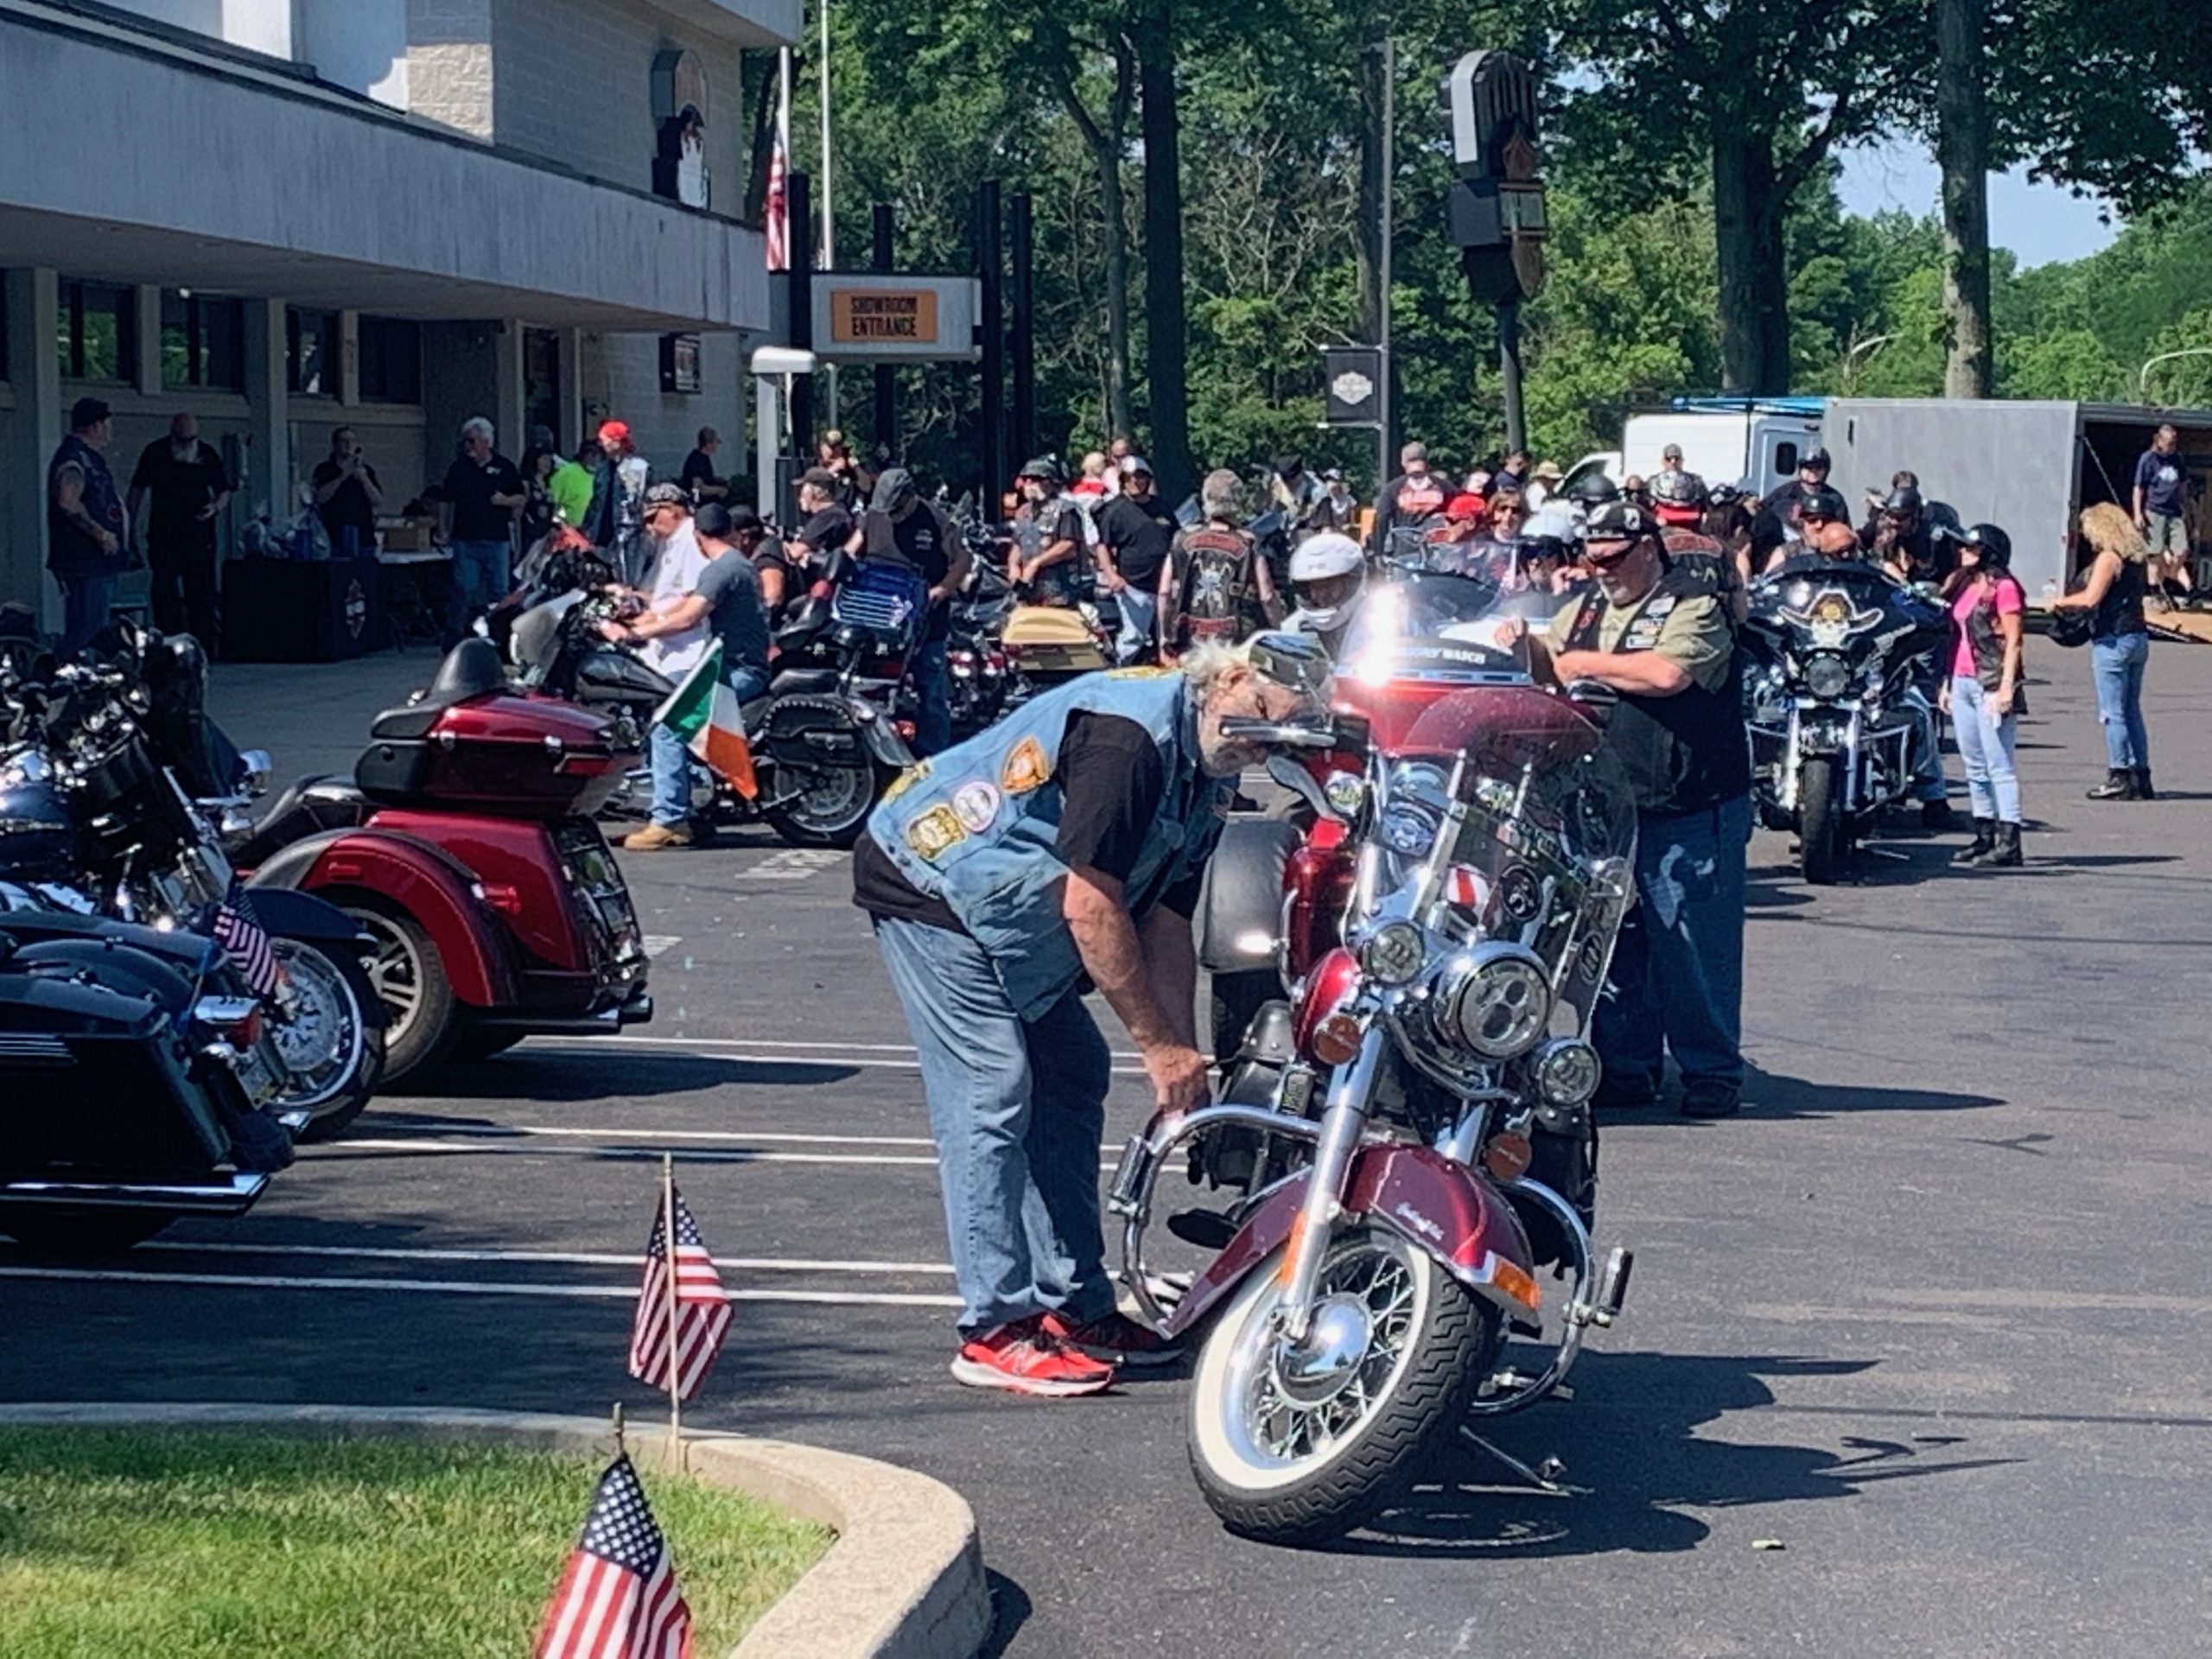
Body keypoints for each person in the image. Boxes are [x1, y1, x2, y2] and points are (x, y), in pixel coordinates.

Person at [852, 632, 1331, 1395]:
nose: (1261, 745)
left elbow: (1169, 922)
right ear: (1232, 678)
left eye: (1279, 737)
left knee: (1073, 1070)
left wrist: (1180, 1050)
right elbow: (1092, 904)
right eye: (1263, 718)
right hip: (931, 885)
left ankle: (1076, 1305)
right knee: (992, 1086)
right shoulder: (1130, 738)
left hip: (999, 908)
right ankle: (993, 1327)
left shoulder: (1204, 775)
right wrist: (1156, 1044)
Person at [1529, 499, 1751, 1120]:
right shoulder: (1584, 609)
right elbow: (1548, 654)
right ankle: (1626, 1067)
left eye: (1614, 558)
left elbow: (1666, 674)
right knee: (1613, 942)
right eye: (1591, 558)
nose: (1602, 570)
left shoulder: (1692, 605)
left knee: (1691, 945)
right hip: (1604, 804)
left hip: (1686, 802)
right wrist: (1516, 644)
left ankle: (1712, 1071)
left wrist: (1580, 663)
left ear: (1648, 548)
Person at [614, 485, 715, 849]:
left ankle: (668, 817)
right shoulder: (671, 546)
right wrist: (626, 597)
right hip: (667, 650)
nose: (649, 527)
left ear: (672, 509)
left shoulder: (689, 541)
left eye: (653, 518)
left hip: (686, 653)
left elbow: (689, 604)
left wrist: (642, 627)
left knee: (665, 726)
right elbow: (664, 598)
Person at [853, 467, 968, 755]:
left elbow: (962, 560)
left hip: (927, 617)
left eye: (896, 510)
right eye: (887, 511)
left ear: (910, 497)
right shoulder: (874, 515)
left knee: (931, 687)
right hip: (878, 615)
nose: (891, 516)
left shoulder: (936, 519)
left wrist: (940, 591)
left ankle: (934, 754)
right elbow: (853, 548)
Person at [2050, 501, 2153, 801]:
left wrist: (2059, 603)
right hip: (2138, 636)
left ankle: (2118, 774)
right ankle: (2141, 776)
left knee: (2113, 712)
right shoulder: (2136, 556)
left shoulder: (2109, 558)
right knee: (2132, 709)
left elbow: (2091, 598)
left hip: (2113, 639)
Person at [1939, 525, 2027, 868]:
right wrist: (1947, 682)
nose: (1963, 552)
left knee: (1999, 764)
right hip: (1962, 681)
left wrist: (2006, 687)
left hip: (1989, 682)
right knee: (1973, 764)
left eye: (1972, 548)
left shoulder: (2004, 589)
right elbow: (1956, 639)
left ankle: (2009, 840)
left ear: (1990, 552)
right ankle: (1984, 833)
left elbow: (2013, 641)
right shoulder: (1964, 585)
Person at [127, 412, 232, 650]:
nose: (188, 444)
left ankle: (203, 644)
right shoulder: (155, 453)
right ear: (173, 433)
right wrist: (129, 525)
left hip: (199, 532)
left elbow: (224, 490)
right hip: (164, 532)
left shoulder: (206, 454)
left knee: (201, 590)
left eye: (192, 439)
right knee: (165, 588)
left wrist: (214, 507)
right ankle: (168, 640)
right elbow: (137, 489)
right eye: (183, 439)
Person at [1160, 468, 1282, 658]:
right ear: (1238, 501)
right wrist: (1278, 629)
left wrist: (1165, 635)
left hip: (1190, 639)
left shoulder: (1181, 539)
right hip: (1235, 642)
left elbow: (1164, 592)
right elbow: (1267, 595)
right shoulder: (1249, 543)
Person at [47, 397, 130, 658]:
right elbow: (68, 502)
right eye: (107, 423)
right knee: (86, 632)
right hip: (85, 562)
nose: (110, 429)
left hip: (97, 563)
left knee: (96, 629)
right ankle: (65, 683)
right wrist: (101, 533)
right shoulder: (74, 459)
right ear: (96, 426)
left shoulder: (90, 458)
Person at [435, 416, 526, 645]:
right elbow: (446, 501)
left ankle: (500, 636)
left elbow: (521, 498)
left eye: (472, 441)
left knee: (499, 591)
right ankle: (454, 635)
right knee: (463, 588)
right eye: (465, 441)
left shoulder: (504, 467)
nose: (468, 446)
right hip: (465, 539)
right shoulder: (459, 468)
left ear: (486, 441)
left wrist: (504, 500)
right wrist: (442, 528)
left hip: (497, 539)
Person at [1096, 455, 1176, 664]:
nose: (1135, 482)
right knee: (1133, 637)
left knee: (1167, 637)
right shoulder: (1115, 510)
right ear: (1122, 480)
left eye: (1140, 477)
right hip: (1133, 585)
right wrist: (1111, 575)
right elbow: (1102, 545)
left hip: (1164, 586)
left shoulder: (1163, 507)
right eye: (1130, 478)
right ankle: (1117, 674)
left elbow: (1177, 539)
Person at [2132, 424, 2194, 608]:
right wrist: (2137, 513)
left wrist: (2188, 511)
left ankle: (2171, 574)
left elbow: (2182, 486)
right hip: (2154, 510)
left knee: (2182, 550)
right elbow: (2139, 487)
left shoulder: (2177, 459)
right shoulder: (2148, 459)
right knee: (2155, 553)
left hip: (2174, 511)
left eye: (2174, 443)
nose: (2172, 447)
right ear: (2159, 441)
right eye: (2169, 444)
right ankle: (2155, 591)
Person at [1008, 458, 1085, 605]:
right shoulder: (1023, 512)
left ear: (1049, 483)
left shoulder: (1066, 509)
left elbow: (1068, 546)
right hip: (1028, 591)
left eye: (1036, 478)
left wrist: (1036, 563)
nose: (1029, 483)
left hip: (1060, 590)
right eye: (1025, 479)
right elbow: (1018, 544)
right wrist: (1013, 566)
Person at [1283, 531, 1367, 658]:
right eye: (1315, 587)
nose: (1322, 594)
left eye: (1329, 586)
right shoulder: (1293, 629)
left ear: (1352, 582)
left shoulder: (1376, 621)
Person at [311, 427, 385, 560]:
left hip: (363, 536)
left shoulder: (366, 470)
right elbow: (320, 498)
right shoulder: (324, 469)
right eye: (344, 441)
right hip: (334, 536)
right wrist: (343, 475)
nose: (349, 444)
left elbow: (377, 501)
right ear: (335, 445)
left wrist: (363, 478)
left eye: (352, 441)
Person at [1370, 442, 1449, 555]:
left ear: (1403, 462)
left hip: (1405, 553)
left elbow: (1381, 520)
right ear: (1427, 462)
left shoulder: (1393, 488)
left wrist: (1378, 551)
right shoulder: (1445, 486)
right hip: (1438, 552)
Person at [1865, 486, 1950, 586]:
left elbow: (1945, 572)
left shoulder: (1930, 539)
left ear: (1914, 516)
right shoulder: (1881, 525)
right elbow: (1858, 544)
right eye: (1890, 515)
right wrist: (1885, 566)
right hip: (1882, 584)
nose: (1894, 522)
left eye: (1900, 518)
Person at [786, 467, 855, 575]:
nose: (800, 498)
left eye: (802, 490)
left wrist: (773, 543)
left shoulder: (828, 518)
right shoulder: (838, 512)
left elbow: (794, 553)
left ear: (819, 492)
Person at [1762, 446, 1834, 532]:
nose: (1813, 472)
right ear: (1800, 469)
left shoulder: (1834, 499)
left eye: (1818, 467)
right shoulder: (1785, 493)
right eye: (1809, 467)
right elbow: (1761, 512)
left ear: (1826, 470)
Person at [546, 439, 601, 531]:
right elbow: (553, 503)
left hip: (593, 533)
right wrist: (560, 525)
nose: (594, 458)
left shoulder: (602, 477)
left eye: (598, 455)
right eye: (592, 454)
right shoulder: (566, 473)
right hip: (566, 531)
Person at [1268, 454, 1325, 528]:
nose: (1289, 483)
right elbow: (1273, 518)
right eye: (1285, 480)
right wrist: (1275, 501)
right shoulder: (1280, 487)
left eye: (1292, 478)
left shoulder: (1317, 489)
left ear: (1301, 473)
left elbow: (1307, 516)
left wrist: (1290, 502)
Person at [679, 426, 729, 505]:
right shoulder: (696, 460)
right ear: (708, 443)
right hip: (698, 506)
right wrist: (719, 490)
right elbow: (699, 488)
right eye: (716, 441)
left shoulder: (705, 458)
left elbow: (705, 479)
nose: (717, 445)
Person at [817, 429, 863, 505]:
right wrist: (833, 469)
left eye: (837, 446)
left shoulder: (849, 465)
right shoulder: (816, 467)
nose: (833, 451)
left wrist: (857, 468)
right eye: (831, 447)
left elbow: (866, 487)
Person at [1313, 467, 1358, 534]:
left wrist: (1348, 525)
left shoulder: (1349, 500)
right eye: (1328, 480)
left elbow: (1352, 522)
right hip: (1327, 532)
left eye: (1333, 480)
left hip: (1342, 533)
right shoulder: (1324, 499)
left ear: (1339, 482)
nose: (1330, 482)